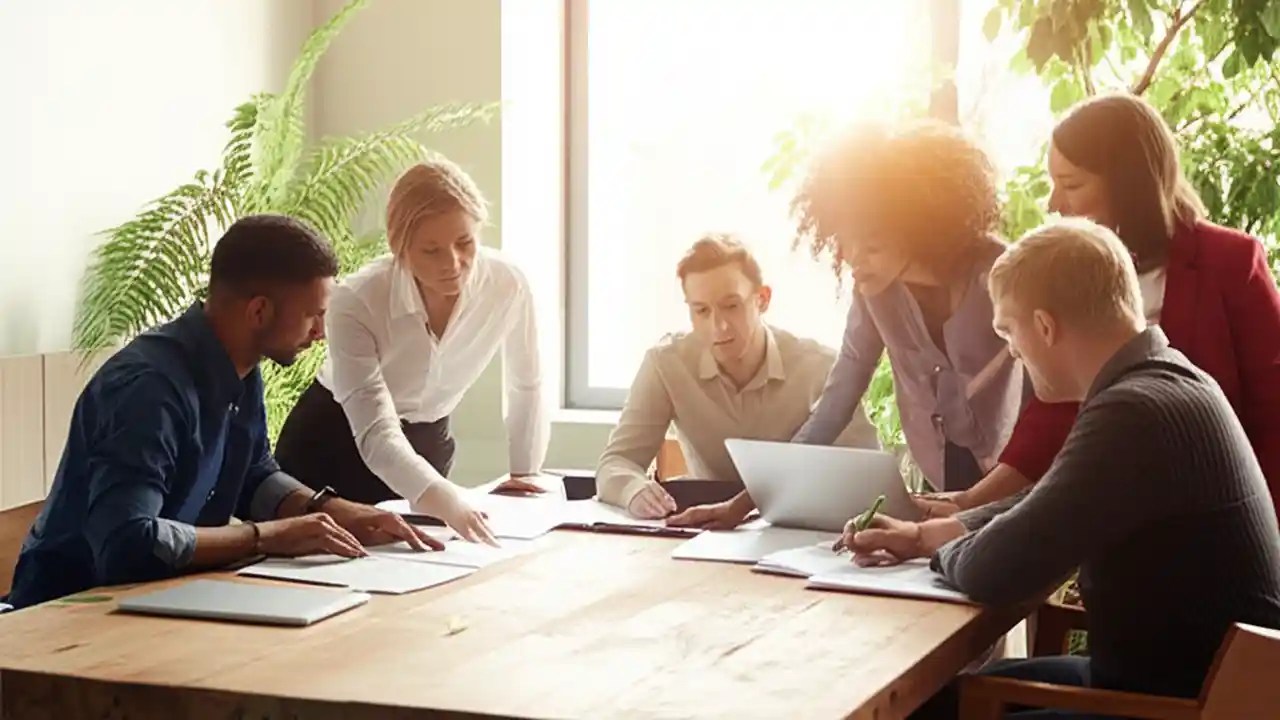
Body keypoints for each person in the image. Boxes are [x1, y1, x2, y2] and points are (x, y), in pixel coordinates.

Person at [843, 218, 1280, 716]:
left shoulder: (1133, 412)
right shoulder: (1165, 379)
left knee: (922, 710)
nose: (1012, 352)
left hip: (1180, 709)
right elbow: (1053, 500)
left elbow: (994, 570)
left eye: (1009, 331)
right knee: (936, 700)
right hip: (1181, 687)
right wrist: (928, 534)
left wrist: (944, 550)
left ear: (1045, 327)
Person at [5, 215, 437, 610]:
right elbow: (127, 542)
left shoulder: (242, 370)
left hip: (163, 602)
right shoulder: (147, 390)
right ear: (259, 311)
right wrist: (263, 538)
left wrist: (331, 510)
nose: (321, 333)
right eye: (313, 316)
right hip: (68, 614)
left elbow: (254, 476)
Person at [919, 92, 1280, 520]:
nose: (1054, 204)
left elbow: (1272, 410)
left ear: (1129, 183)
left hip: (1214, 512)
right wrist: (969, 502)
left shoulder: (1231, 263)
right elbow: (1055, 409)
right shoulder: (1074, 271)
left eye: (1071, 185)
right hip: (1116, 514)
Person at [274, 159, 549, 544]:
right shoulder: (357, 299)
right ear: (399, 248)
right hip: (335, 442)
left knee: (427, 566)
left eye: (464, 243)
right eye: (431, 250)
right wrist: (445, 498)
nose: (452, 263)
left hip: (428, 443)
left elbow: (526, 385)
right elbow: (376, 431)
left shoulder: (508, 284)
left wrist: (524, 474)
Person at [595, 234, 877, 520]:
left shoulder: (823, 367)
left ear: (762, 299)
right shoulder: (665, 364)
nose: (718, 326)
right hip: (707, 527)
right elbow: (617, 461)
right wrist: (634, 490)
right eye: (701, 310)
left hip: (799, 524)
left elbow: (867, 475)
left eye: (731, 306)